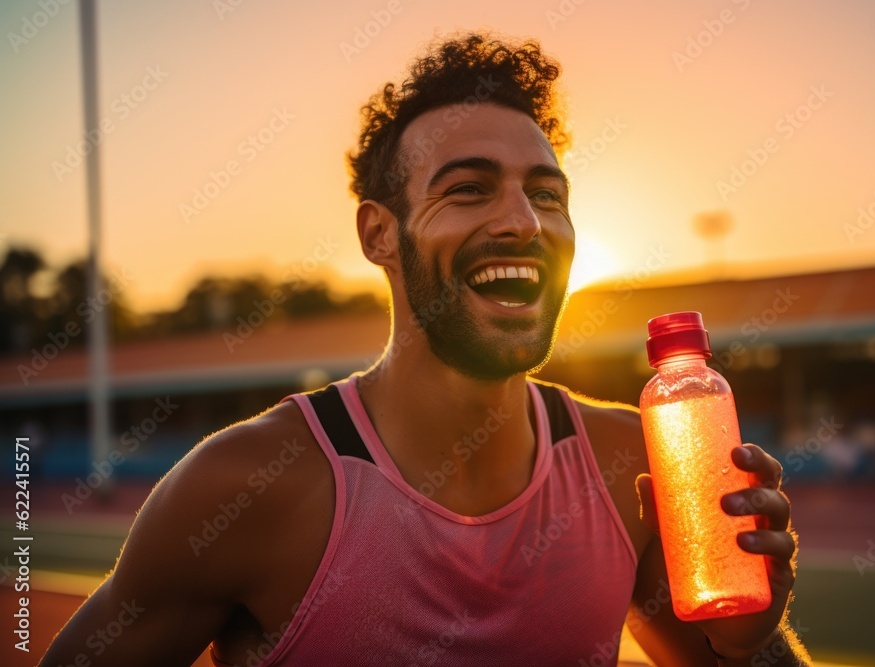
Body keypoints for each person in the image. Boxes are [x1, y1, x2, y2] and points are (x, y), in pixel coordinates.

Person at [42, 32, 810, 666]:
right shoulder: (244, 486)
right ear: (379, 233)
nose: (524, 223)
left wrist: (748, 637)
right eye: (469, 189)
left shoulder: (631, 465)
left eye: (547, 194)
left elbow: (737, 653)